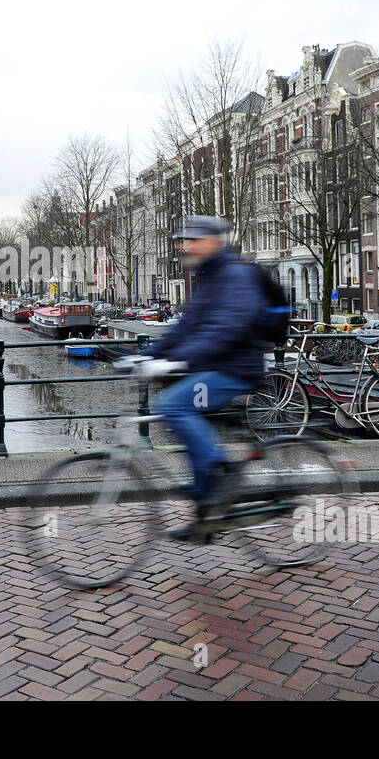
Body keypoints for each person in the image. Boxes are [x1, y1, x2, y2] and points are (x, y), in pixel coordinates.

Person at [127, 215, 270, 542]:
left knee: (174, 404)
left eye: (192, 239)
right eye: (183, 240)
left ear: (213, 241)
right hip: (214, 367)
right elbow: (185, 328)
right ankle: (205, 515)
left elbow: (225, 331)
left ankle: (215, 473)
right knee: (182, 418)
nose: (185, 245)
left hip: (236, 369)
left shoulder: (234, 276)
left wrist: (174, 361)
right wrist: (146, 356)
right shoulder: (208, 276)